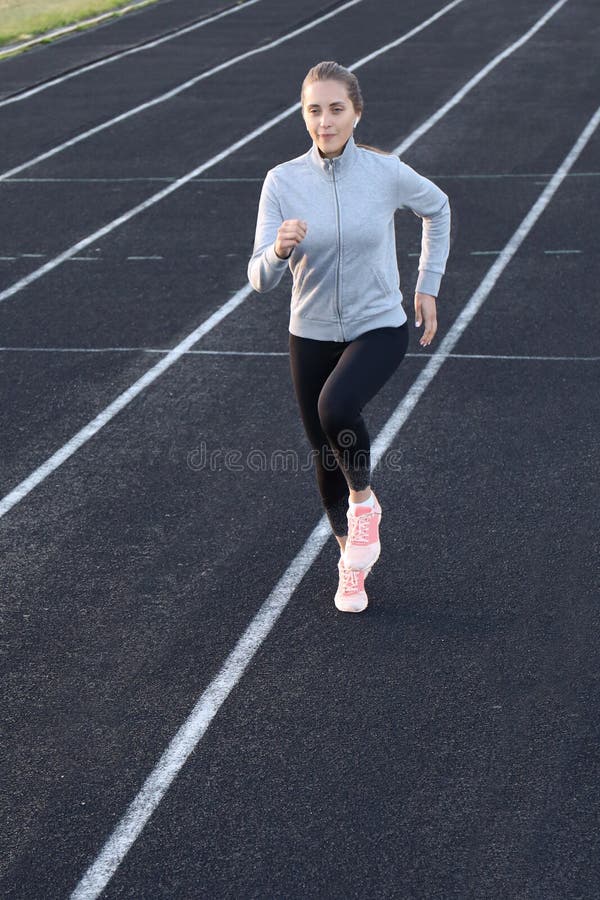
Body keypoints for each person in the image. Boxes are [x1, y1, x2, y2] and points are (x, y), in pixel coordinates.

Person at [247, 61, 450, 614]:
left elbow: (437, 207)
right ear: (303, 115)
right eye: (315, 109)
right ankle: (352, 562)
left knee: (337, 406)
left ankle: (366, 505)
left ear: (356, 113)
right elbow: (258, 279)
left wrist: (426, 286)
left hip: (379, 325)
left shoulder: (385, 173)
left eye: (336, 108)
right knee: (324, 451)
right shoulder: (282, 182)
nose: (325, 120)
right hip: (308, 332)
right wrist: (280, 250)